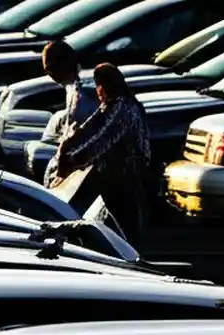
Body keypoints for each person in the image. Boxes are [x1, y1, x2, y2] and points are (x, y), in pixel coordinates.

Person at [53, 63, 152, 245]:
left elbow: (101, 140)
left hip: (125, 175)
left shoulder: (123, 108)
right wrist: (67, 146)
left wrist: (72, 161)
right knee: (112, 224)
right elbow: (90, 127)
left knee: (128, 228)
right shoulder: (111, 104)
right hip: (112, 176)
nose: (98, 92)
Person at [39, 40, 99, 188]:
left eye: (50, 68)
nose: (48, 73)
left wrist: (60, 170)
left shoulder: (82, 96)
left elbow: (76, 139)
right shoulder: (74, 88)